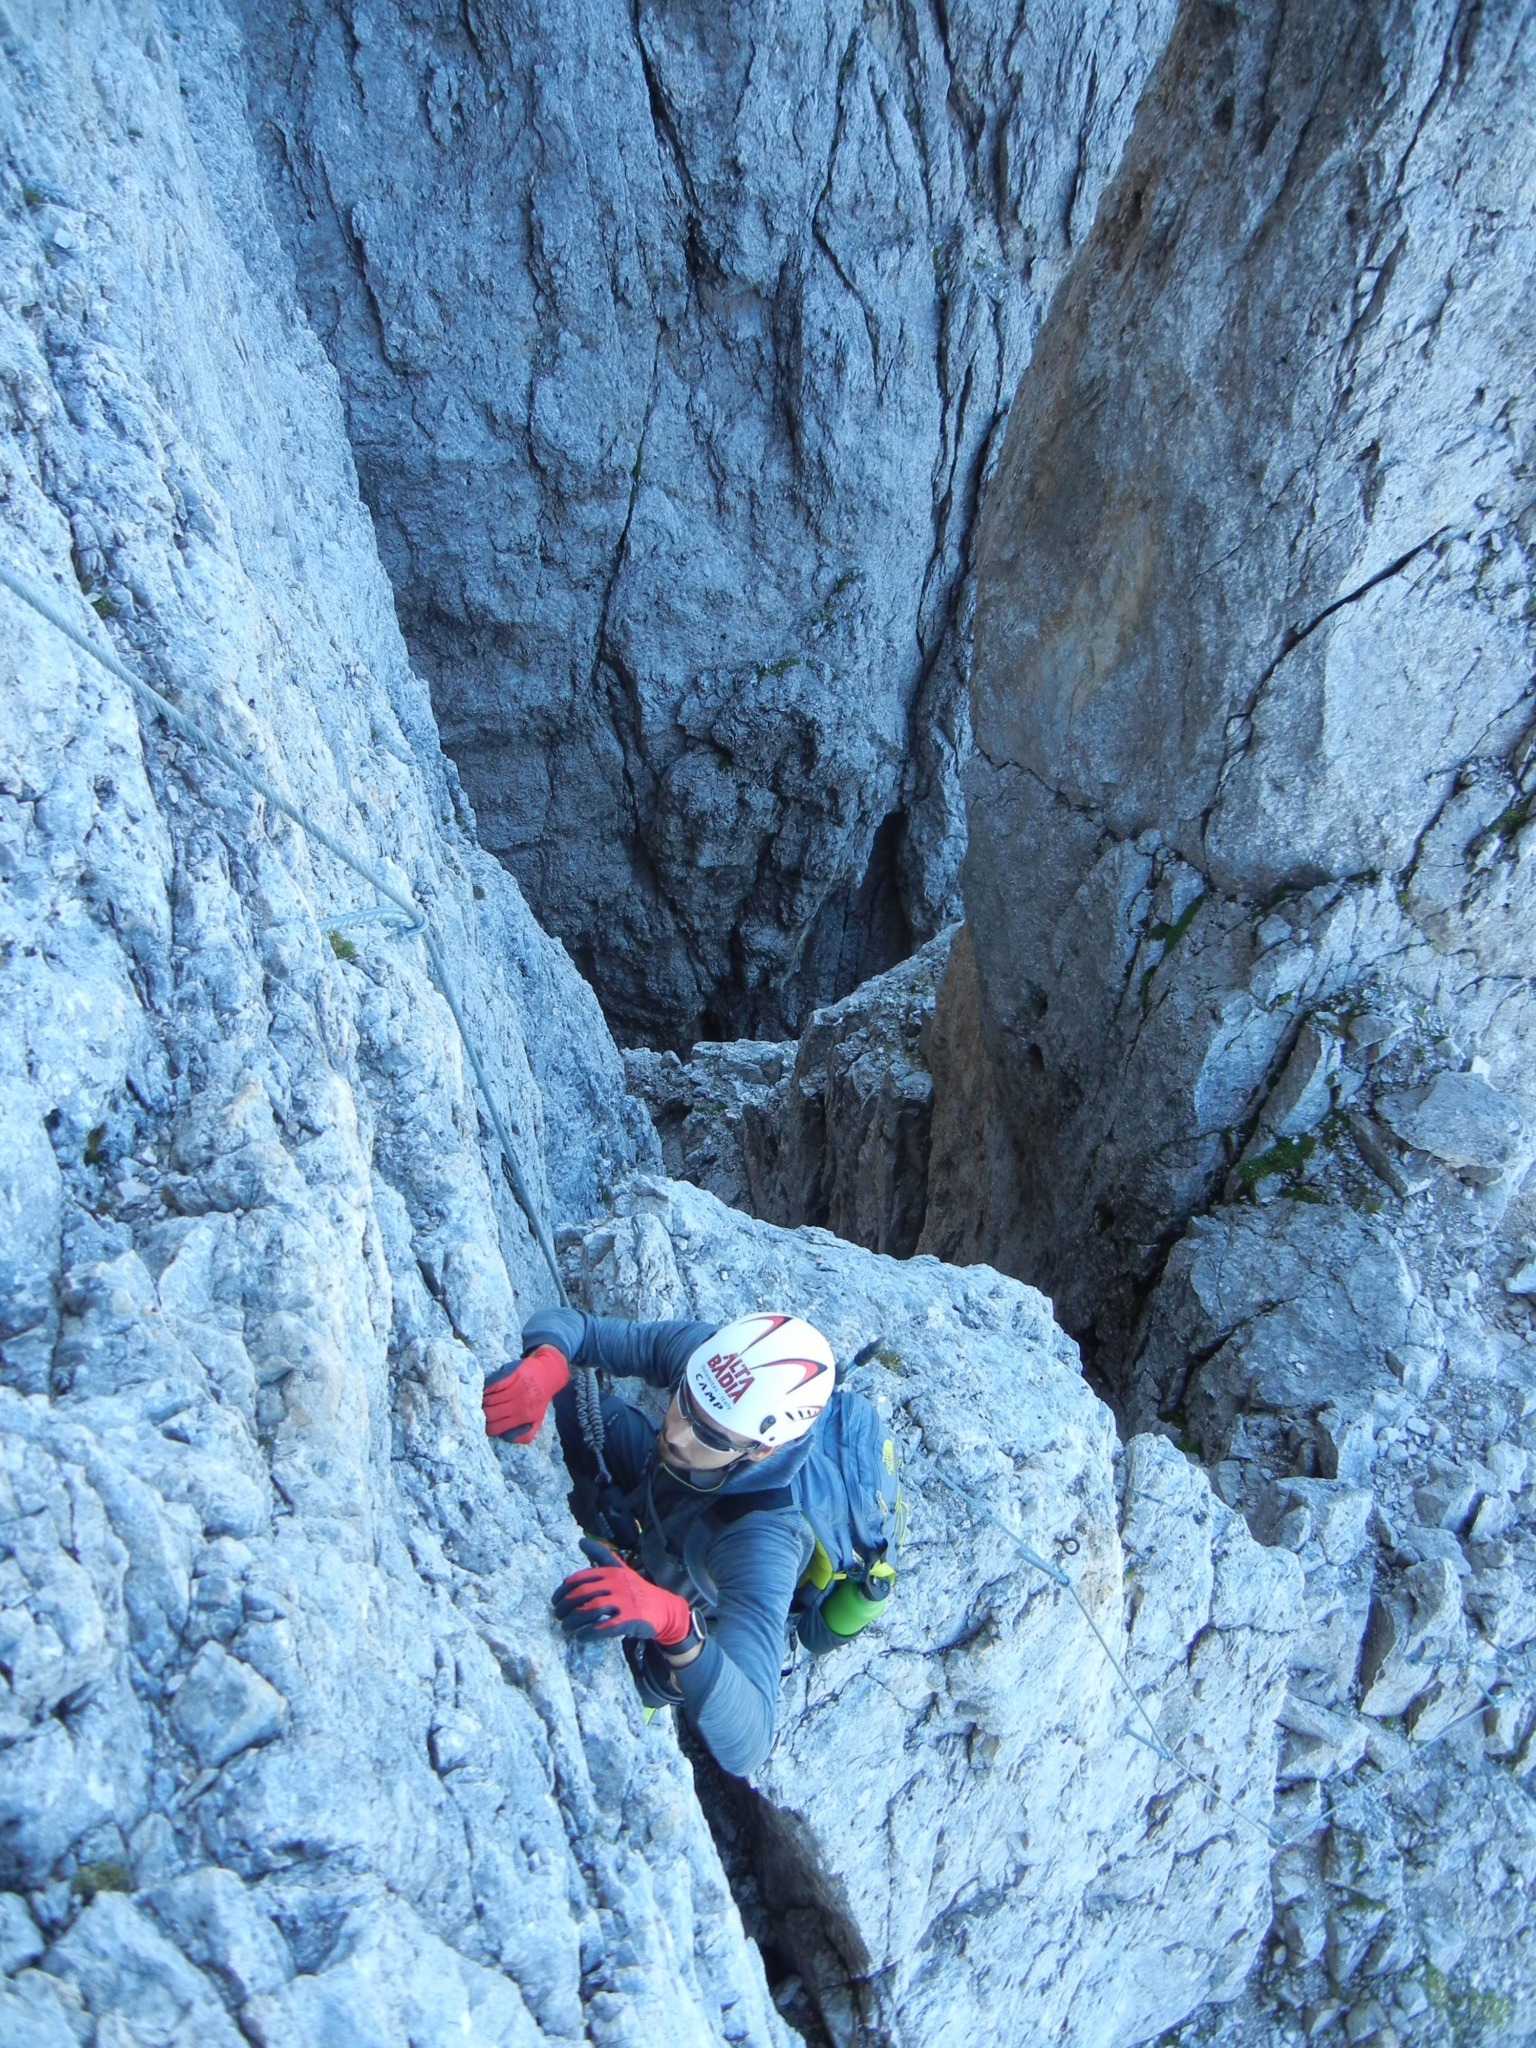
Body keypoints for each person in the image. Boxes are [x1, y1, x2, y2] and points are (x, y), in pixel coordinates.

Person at [482, 1309, 836, 1777]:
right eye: (684, 1401)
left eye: (710, 1434)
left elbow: (750, 1742)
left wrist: (675, 1624)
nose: (677, 1430)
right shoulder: (711, 1365)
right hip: (660, 1496)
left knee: (652, 1675)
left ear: (761, 1449)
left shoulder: (762, 1540)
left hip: (687, 1594)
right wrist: (547, 1362)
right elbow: (583, 1329)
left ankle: (649, 1691)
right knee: (575, 1403)